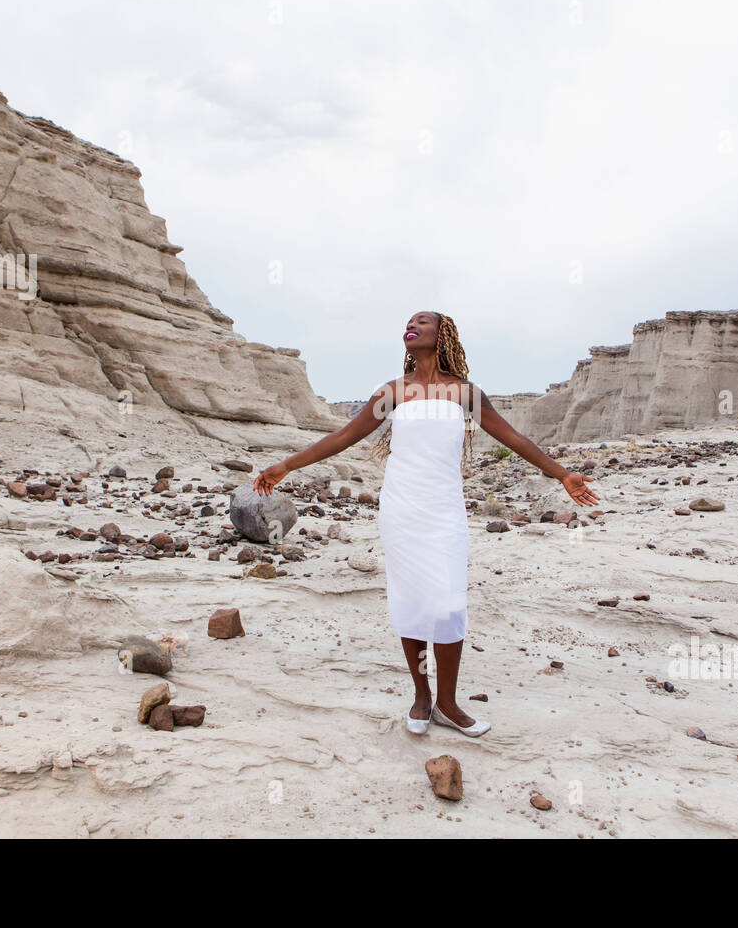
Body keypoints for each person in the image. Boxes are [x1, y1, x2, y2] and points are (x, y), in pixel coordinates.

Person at [254, 310, 598, 737]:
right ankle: (422, 696)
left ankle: (449, 703)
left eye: (422, 322)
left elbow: (515, 439)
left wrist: (562, 473)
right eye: (408, 322)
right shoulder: (392, 392)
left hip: (444, 510)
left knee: (448, 604)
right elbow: (343, 438)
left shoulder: (465, 393)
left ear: (443, 334)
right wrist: (286, 465)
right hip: (401, 510)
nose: (411, 326)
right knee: (411, 602)